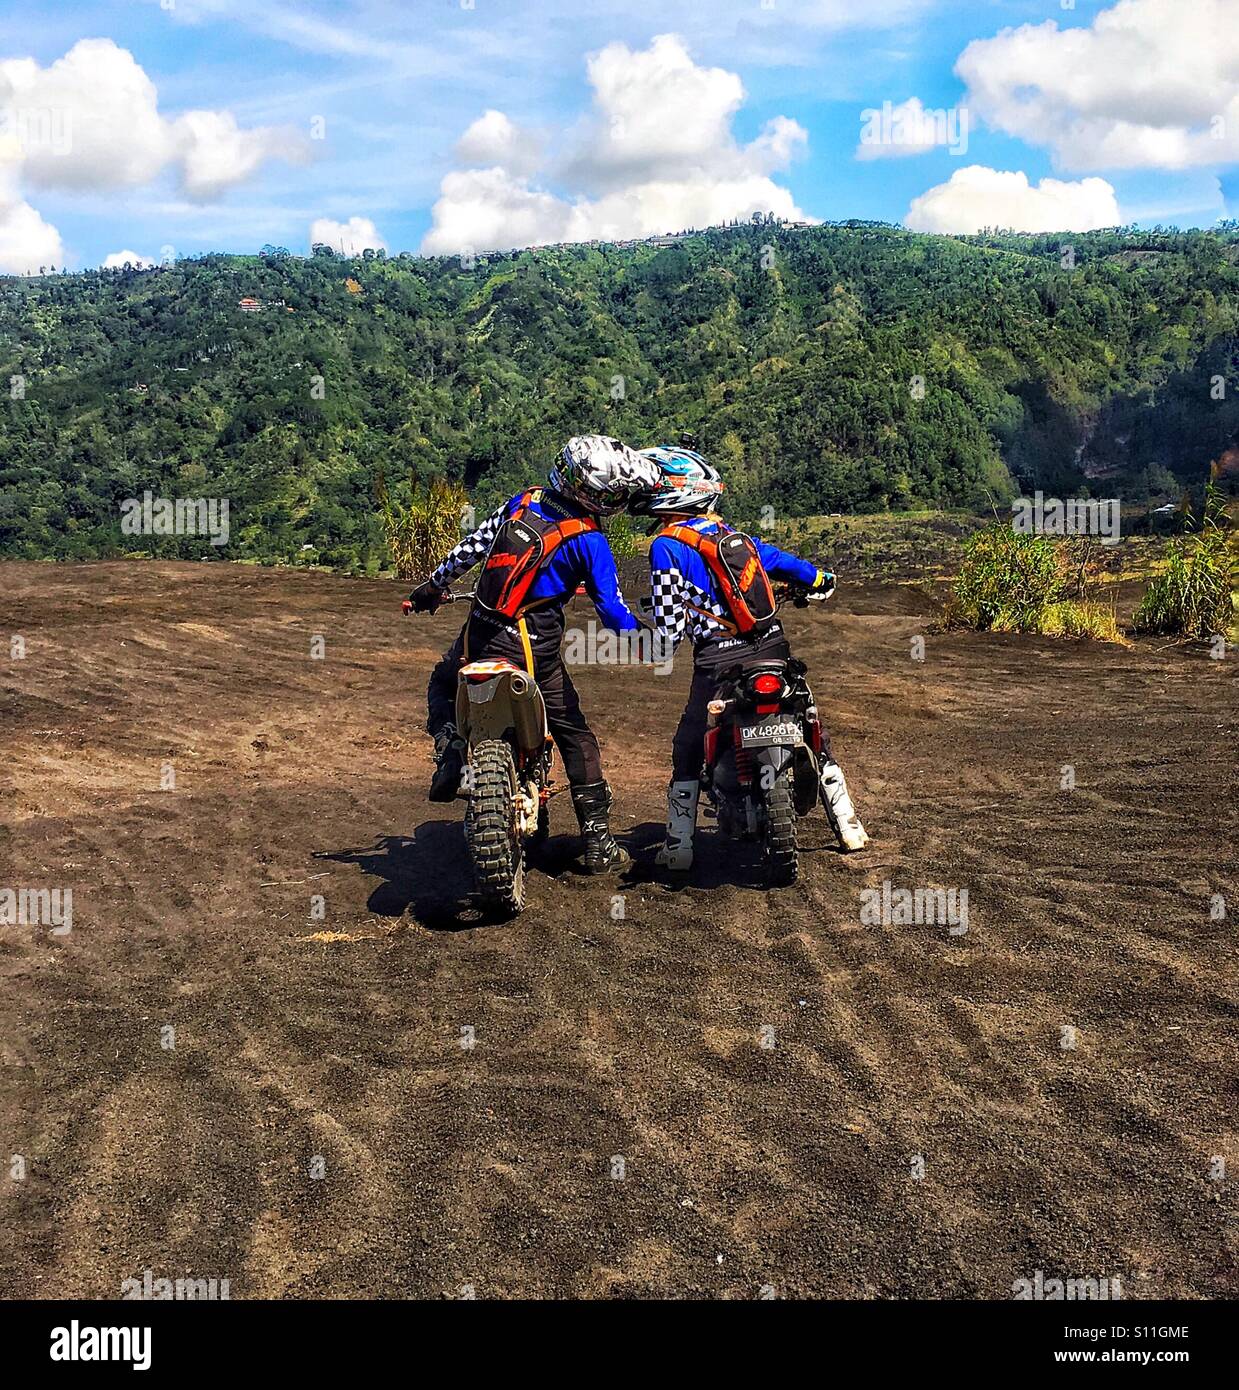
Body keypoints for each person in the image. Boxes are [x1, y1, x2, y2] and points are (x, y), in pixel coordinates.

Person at [407, 435, 657, 874]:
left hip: (478, 638)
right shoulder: (590, 542)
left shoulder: (525, 501)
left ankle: (449, 750)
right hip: (531, 652)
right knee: (575, 735)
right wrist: (647, 637)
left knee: (442, 681)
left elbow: (471, 549)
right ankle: (598, 843)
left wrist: (432, 587)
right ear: (597, 493)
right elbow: (613, 612)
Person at [631, 443, 870, 870]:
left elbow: (668, 630)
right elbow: (787, 564)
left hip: (719, 664)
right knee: (808, 719)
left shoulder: (666, 546)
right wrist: (821, 578)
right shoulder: (733, 537)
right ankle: (848, 824)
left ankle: (680, 846)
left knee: (688, 742)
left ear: (669, 493)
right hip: (772, 646)